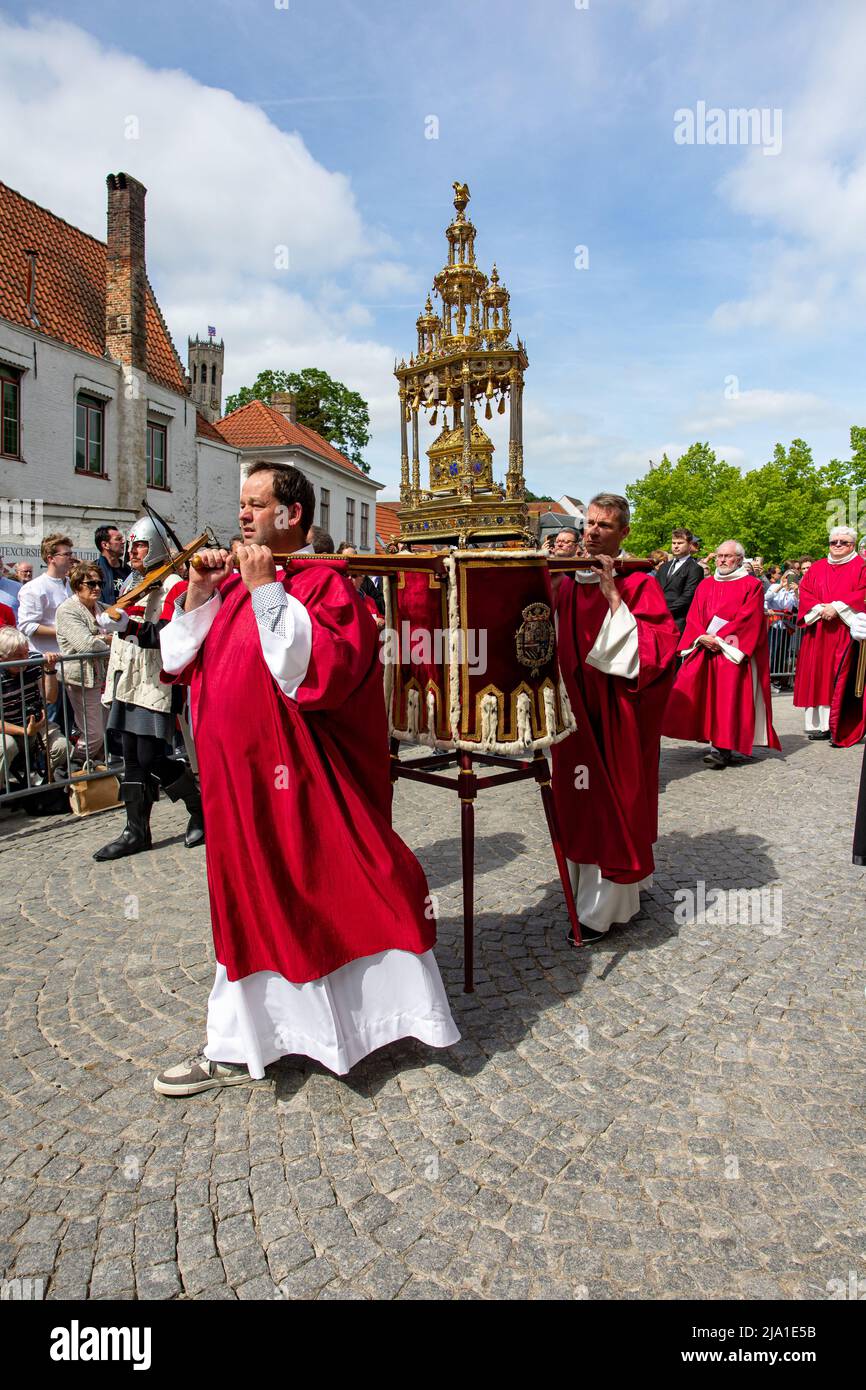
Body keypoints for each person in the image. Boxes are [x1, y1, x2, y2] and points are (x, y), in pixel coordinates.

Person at [152, 461, 459, 1094]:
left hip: (298, 780)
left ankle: (335, 1028)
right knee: (252, 900)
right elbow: (178, 657)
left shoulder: (324, 585)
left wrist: (267, 591)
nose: (242, 515)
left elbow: (316, 671)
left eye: (256, 505)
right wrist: (201, 593)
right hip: (240, 787)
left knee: (327, 888)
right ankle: (252, 1038)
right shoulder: (237, 583)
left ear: (291, 516)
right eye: (242, 503)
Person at [551, 493, 680, 945]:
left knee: (614, 799)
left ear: (624, 532)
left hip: (618, 714)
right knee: (576, 799)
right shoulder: (566, 581)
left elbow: (660, 648)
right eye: (588, 523)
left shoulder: (640, 583)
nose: (591, 532)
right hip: (574, 713)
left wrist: (614, 601)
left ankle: (606, 905)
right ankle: (580, 889)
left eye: (604, 526)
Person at [92, 515, 203, 861]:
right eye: (130, 544)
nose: (133, 551)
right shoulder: (131, 583)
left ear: (154, 544)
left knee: (151, 757)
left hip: (155, 682)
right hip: (127, 678)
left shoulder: (175, 586)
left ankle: (198, 806)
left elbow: (171, 638)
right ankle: (135, 830)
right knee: (131, 758)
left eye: (139, 544)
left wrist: (129, 628)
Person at [663, 540, 781, 768]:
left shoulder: (751, 585)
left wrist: (721, 639)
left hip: (730, 650)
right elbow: (694, 615)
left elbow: (749, 618)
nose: (723, 560)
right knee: (702, 696)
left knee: (727, 699)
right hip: (704, 648)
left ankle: (722, 748)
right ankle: (712, 741)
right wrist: (701, 636)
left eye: (728, 556)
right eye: (719, 556)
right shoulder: (705, 585)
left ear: (739, 559)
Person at [793, 526, 866, 739]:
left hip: (845, 631)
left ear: (852, 545)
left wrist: (838, 608)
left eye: (843, 542)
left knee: (840, 675)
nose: (837, 546)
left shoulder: (862, 567)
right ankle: (821, 725)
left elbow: (863, 592)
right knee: (818, 675)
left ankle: (839, 724)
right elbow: (805, 591)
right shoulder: (816, 567)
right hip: (819, 629)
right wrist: (820, 609)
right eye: (834, 542)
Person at [55, 563, 119, 764]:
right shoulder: (68, 610)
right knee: (93, 736)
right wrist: (111, 639)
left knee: (104, 732)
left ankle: (91, 777)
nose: (97, 588)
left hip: (105, 678)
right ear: (76, 585)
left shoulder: (103, 608)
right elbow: (86, 645)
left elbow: (123, 627)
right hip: (83, 679)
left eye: (100, 583)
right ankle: (68, 769)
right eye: (91, 583)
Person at [0, 627, 68, 796]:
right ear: (2, 657)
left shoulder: (33, 661)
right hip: (7, 727)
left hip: (36, 722)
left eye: (25, 653)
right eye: (18, 656)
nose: (24, 660)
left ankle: (43, 790)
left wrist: (50, 670)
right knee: (5, 746)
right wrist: (24, 731)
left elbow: (50, 698)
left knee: (62, 746)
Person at [16, 535, 73, 656]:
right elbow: (27, 626)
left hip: (73, 657)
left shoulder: (74, 585)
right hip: (47, 659)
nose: (71, 558)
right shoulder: (34, 588)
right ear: (51, 558)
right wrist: (64, 632)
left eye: (71, 554)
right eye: (66, 555)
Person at [655, 529, 704, 632]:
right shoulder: (664, 567)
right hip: (657, 620)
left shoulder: (695, 569)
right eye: (674, 543)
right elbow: (654, 589)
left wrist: (664, 611)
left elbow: (688, 596)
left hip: (678, 622)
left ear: (690, 544)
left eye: (680, 543)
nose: (676, 546)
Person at [94, 525, 131, 606]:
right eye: (118, 539)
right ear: (105, 545)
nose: (123, 542)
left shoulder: (129, 571)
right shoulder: (94, 571)